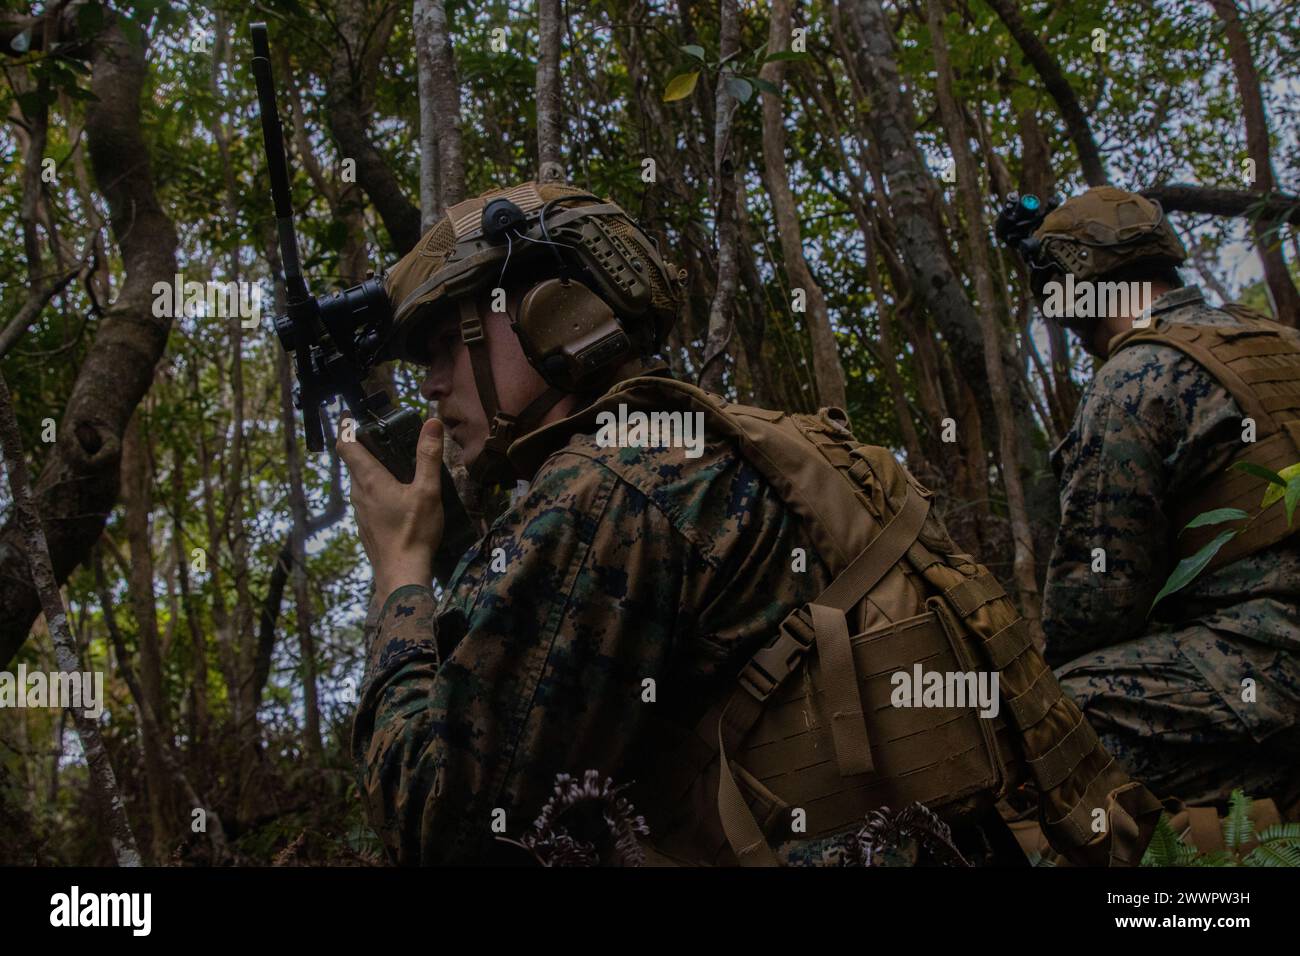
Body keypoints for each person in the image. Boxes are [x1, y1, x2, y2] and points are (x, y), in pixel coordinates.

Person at [340, 181, 1158, 866]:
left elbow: (443, 825)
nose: (433, 384)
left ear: (550, 314)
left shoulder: (603, 490)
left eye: (445, 344)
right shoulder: (763, 443)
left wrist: (400, 572)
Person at [1017, 186, 1300, 812]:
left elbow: (1095, 607)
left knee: (1048, 717)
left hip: (1274, 659)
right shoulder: (1279, 339)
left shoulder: (1132, 378)